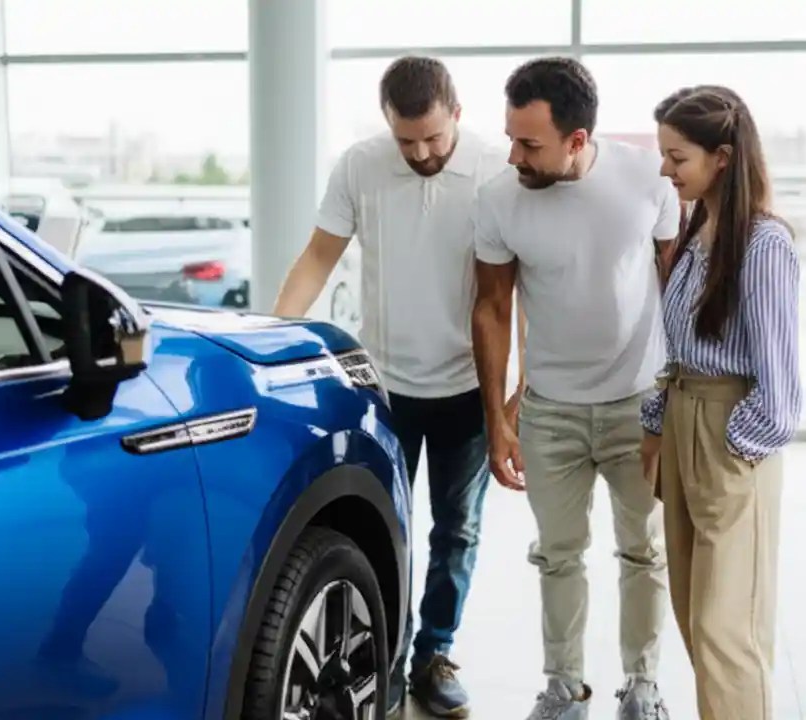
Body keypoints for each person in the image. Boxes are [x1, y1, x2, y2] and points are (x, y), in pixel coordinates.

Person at [272, 55, 508, 718]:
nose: (421, 153)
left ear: (457, 114)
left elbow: (511, 288)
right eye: (407, 141)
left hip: (466, 384)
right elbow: (319, 256)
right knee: (382, 529)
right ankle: (385, 652)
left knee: (457, 530)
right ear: (388, 125)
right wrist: (270, 335)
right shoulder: (360, 165)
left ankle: (434, 652)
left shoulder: (493, 169)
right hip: (385, 386)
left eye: (433, 138)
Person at [471, 56, 678, 720]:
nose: (515, 155)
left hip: (636, 406)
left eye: (530, 144)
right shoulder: (499, 198)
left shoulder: (648, 179)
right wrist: (495, 418)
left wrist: (673, 401)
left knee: (643, 551)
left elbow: (675, 286)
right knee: (557, 556)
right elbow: (492, 310)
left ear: (578, 140)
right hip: (550, 413)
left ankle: (642, 683)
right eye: (510, 137)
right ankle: (564, 685)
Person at [642, 85, 802, 720]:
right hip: (686, 423)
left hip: (727, 434)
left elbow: (780, 387)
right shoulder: (699, 233)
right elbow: (675, 347)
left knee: (725, 629)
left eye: (677, 157)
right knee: (693, 616)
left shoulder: (763, 246)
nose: (664, 169)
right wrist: (661, 425)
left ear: (724, 157)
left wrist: (733, 446)